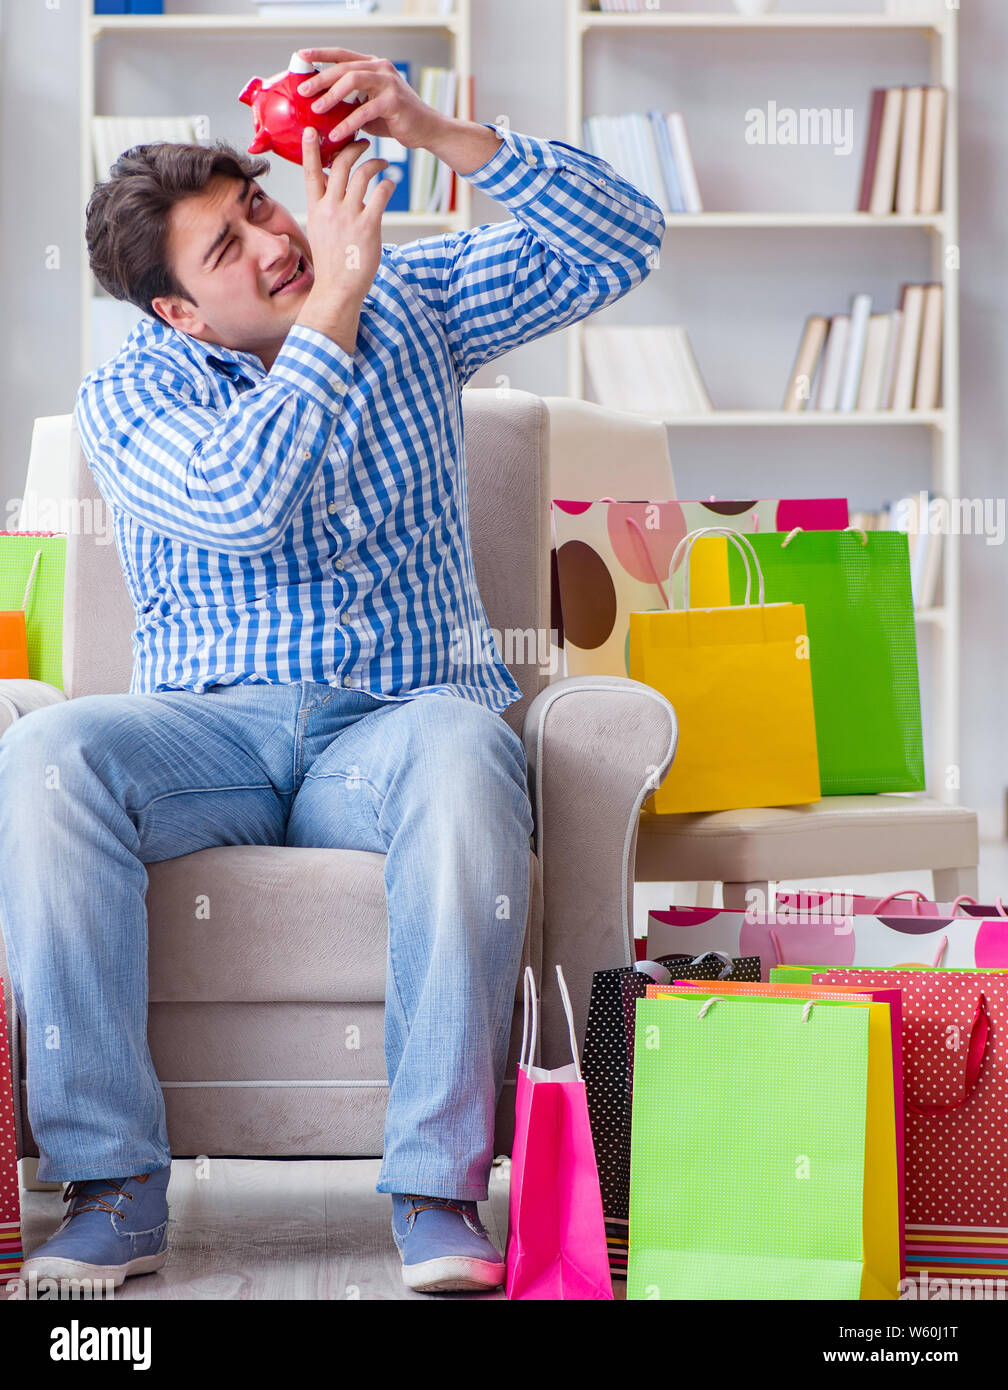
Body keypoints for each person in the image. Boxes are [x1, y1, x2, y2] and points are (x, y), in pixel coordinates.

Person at [0, 47, 664, 1296]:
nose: (270, 240)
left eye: (259, 203)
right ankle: (114, 1184)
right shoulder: (129, 391)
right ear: (178, 313)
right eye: (224, 249)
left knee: (475, 747)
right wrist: (330, 316)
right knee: (43, 752)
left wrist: (441, 129)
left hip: (402, 727)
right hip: (209, 740)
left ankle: (433, 1189)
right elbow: (243, 500)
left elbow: (623, 239)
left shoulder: (416, 299)